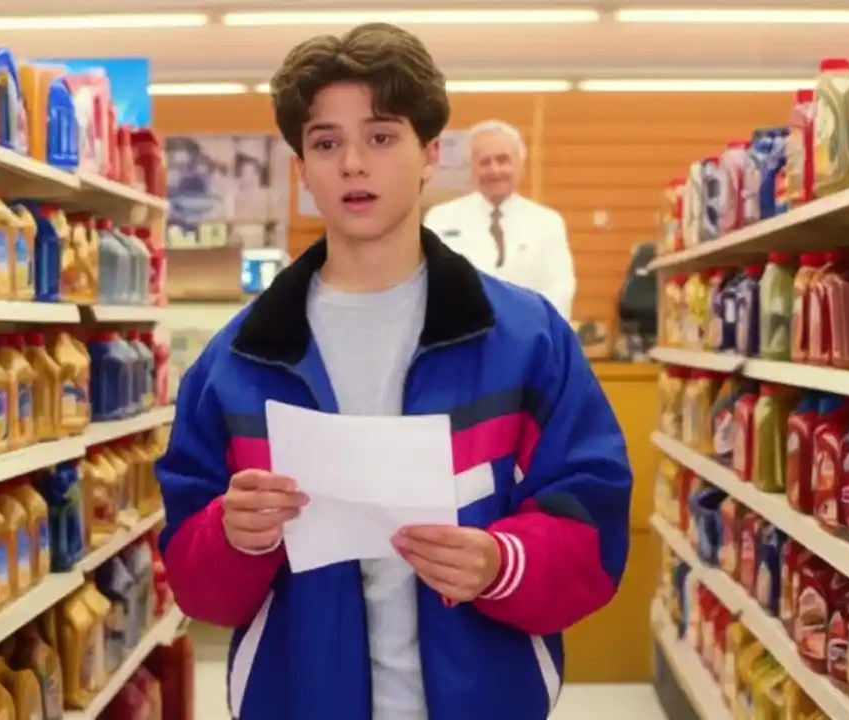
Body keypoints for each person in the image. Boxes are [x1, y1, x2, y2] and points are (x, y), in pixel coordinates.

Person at [156, 22, 633, 720]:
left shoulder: (528, 342)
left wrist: (502, 565)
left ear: (429, 155)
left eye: (381, 137)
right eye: (325, 143)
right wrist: (232, 535)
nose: (353, 163)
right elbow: (198, 589)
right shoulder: (235, 365)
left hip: (485, 700)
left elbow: (593, 526)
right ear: (302, 171)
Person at [424, 120, 577, 320]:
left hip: (529, 337)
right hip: (464, 337)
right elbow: (431, 287)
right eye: (484, 162)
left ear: (520, 165)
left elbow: (559, 290)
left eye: (503, 160)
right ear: (472, 167)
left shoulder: (547, 223)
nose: (495, 170)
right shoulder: (440, 219)